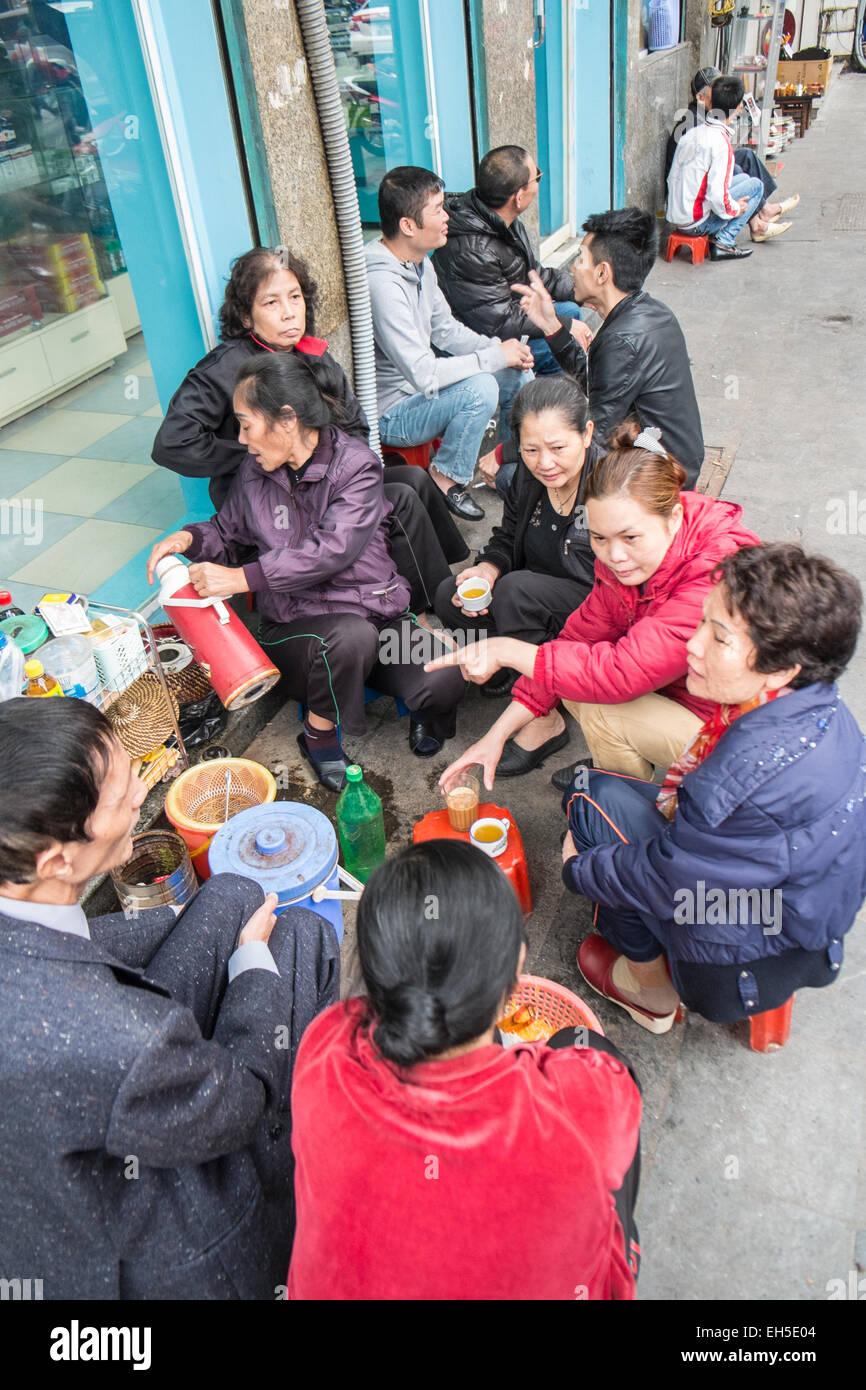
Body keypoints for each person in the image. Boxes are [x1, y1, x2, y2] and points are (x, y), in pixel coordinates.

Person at [0, 697, 340, 1300]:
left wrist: (197, 919)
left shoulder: (25, 898)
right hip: (160, 1246)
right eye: (120, 788)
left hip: (70, 1117)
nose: (140, 791)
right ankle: (308, 1181)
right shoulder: (115, 1040)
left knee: (235, 891)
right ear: (56, 860)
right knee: (296, 939)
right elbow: (240, 1097)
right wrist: (249, 964)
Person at [288, 840, 642, 1300]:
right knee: (593, 1049)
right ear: (515, 964)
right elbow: (615, 1098)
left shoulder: (327, 1045)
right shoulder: (574, 1102)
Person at [561, 545, 866, 1034]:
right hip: (805, 923)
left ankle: (653, 993)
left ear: (781, 668)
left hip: (732, 965)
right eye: (702, 623)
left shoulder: (737, 782)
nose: (694, 646)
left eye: (719, 638)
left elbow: (666, 879)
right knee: (593, 793)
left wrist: (579, 872)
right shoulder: (824, 708)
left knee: (589, 822)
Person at [147, 352, 466, 788]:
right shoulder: (254, 472)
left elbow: (331, 550)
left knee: (446, 677)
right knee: (350, 638)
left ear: (286, 420)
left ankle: (414, 703)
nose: (242, 439)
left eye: (246, 423)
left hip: (375, 614)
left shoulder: (356, 467)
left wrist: (243, 578)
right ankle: (318, 736)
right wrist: (189, 539)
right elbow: (228, 531)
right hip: (303, 631)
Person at [428, 424, 760, 782]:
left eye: (631, 537)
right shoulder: (630, 555)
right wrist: (494, 737)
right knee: (572, 674)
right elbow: (575, 640)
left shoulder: (714, 573)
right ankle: (617, 774)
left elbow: (622, 673)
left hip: (742, 741)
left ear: (674, 519)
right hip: (682, 695)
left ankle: (630, 806)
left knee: (600, 704)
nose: (616, 556)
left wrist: (505, 650)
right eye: (600, 538)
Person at [151, 245, 469, 617]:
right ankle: (415, 607)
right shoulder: (225, 369)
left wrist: (329, 463)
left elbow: (356, 424)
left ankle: (444, 590)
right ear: (246, 317)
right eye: (271, 303)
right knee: (397, 498)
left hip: (323, 481)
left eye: (295, 297)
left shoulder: (311, 354)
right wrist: (264, 453)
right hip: (265, 498)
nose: (289, 312)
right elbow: (172, 443)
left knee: (414, 478)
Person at [366, 165, 534, 522]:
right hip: (394, 412)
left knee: (516, 375)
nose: (447, 218)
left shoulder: (419, 264)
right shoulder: (382, 284)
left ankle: (507, 472)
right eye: (438, 210)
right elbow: (424, 374)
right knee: (481, 387)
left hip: (419, 395)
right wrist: (492, 357)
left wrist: (503, 351)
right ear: (408, 226)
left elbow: (447, 331)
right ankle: (445, 477)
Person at [503, 207, 705, 489]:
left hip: (661, 477)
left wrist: (512, 451)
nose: (573, 268)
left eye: (581, 258)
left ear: (602, 273)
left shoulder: (622, 338)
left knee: (513, 476)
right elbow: (594, 383)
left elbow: (595, 433)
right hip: (675, 460)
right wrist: (550, 324)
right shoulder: (651, 312)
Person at [434, 376, 601, 699]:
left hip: (591, 610)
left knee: (516, 590)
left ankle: (539, 685)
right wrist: (488, 569)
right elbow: (508, 536)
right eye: (531, 449)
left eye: (558, 448)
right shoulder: (527, 475)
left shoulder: (610, 486)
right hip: (529, 599)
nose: (545, 463)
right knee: (449, 594)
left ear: (586, 434)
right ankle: (506, 664)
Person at [431, 144, 586, 375]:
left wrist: (584, 289)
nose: (539, 181)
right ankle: (543, 403)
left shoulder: (503, 221)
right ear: (519, 197)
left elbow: (535, 276)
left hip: (507, 317)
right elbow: (500, 322)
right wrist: (562, 326)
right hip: (480, 344)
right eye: (537, 177)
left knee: (572, 310)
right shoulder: (473, 251)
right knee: (566, 343)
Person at [664, 66, 799, 236]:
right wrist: (734, 209)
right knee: (737, 171)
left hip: (695, 187)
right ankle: (755, 223)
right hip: (689, 195)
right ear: (701, 97)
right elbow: (709, 180)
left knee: (746, 156)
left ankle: (763, 208)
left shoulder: (708, 116)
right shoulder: (693, 123)